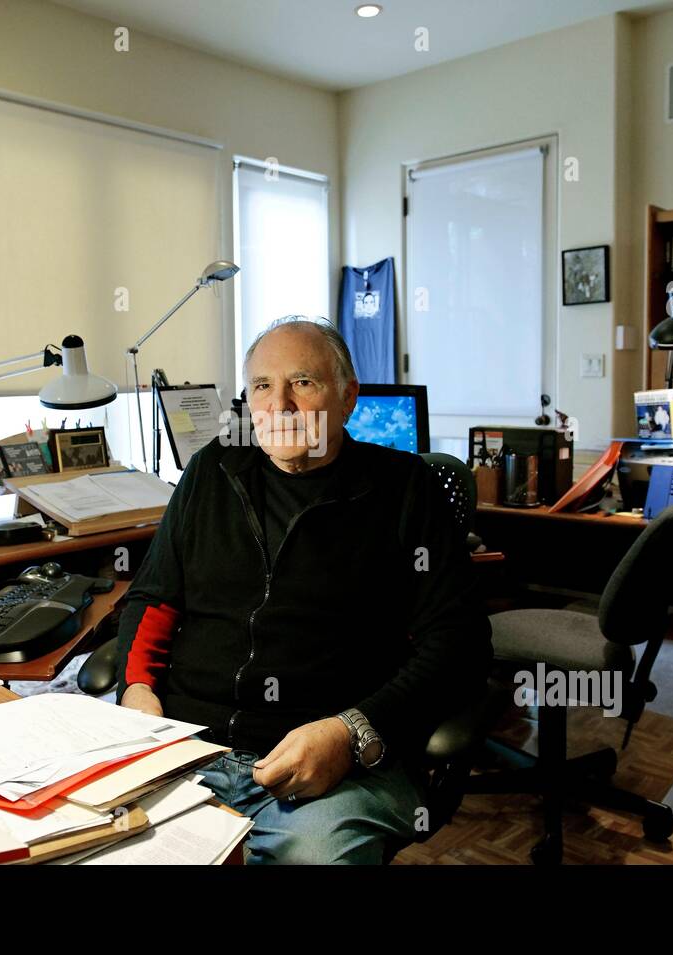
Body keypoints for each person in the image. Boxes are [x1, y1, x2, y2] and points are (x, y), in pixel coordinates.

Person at [114, 316, 491, 863]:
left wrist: (353, 732)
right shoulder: (211, 471)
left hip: (336, 763)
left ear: (348, 397)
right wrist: (136, 690)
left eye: (304, 383)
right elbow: (153, 597)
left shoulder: (407, 490)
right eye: (262, 387)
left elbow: (459, 645)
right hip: (188, 746)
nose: (280, 405)